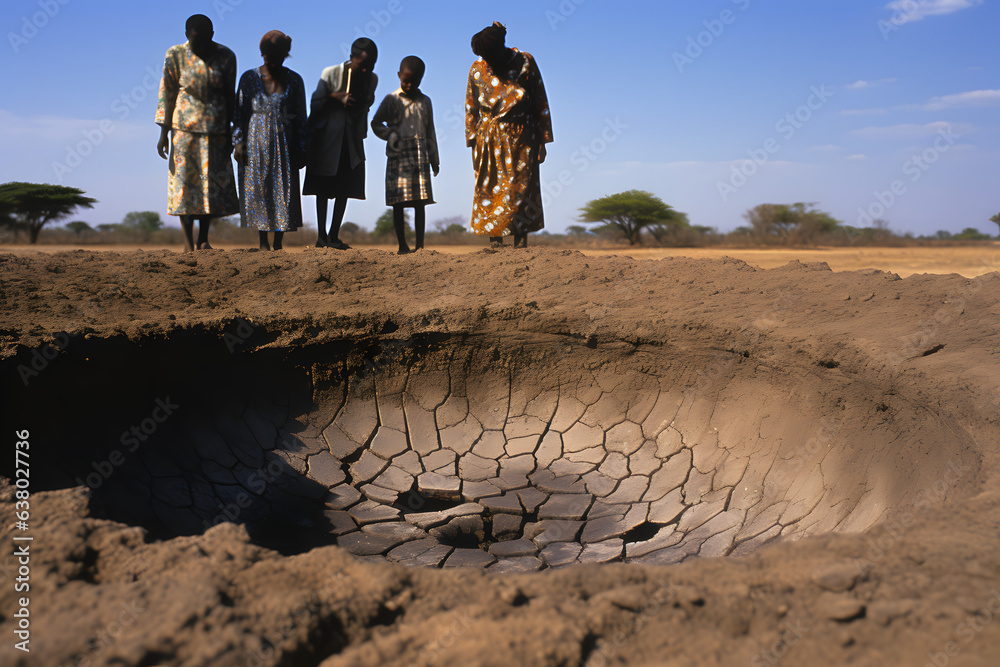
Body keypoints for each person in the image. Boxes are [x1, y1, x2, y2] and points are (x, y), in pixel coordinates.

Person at [156, 14, 239, 252]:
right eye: (193, 39)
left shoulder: (226, 56)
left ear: (212, 36)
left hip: (216, 131)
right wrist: (163, 133)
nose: (198, 44)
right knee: (184, 186)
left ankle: (203, 239)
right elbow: (167, 93)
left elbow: (229, 95)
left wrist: (232, 132)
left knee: (209, 187)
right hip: (183, 131)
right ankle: (186, 241)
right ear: (186, 35)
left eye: (203, 40)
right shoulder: (175, 55)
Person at [466, 21, 553, 249]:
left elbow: (540, 100)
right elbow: (471, 107)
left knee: (520, 188)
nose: (487, 60)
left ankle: (520, 243)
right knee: (489, 187)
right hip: (487, 138)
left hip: (521, 135)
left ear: (502, 47)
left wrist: (543, 139)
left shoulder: (525, 62)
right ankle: (495, 243)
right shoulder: (477, 69)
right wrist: (472, 140)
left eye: (489, 55)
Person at [233, 31, 307, 251]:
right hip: (254, 143)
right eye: (268, 55)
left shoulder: (295, 80)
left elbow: (301, 117)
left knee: (283, 189)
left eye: (278, 56)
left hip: (285, 144)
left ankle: (279, 243)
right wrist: (238, 142)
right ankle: (263, 241)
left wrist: (302, 148)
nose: (272, 61)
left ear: (286, 55)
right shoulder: (249, 78)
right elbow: (238, 114)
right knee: (259, 189)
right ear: (261, 53)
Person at [304, 38, 379, 249]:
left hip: (351, 138)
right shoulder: (331, 73)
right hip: (326, 137)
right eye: (362, 64)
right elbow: (315, 103)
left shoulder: (372, 79)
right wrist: (336, 97)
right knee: (322, 186)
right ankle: (321, 236)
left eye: (370, 65)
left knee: (345, 186)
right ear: (352, 57)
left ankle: (334, 235)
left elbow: (369, 102)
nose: (366, 69)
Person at [371, 56, 440, 254]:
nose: (409, 85)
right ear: (398, 76)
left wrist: (434, 159)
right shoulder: (391, 99)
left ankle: (420, 247)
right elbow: (375, 123)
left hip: (420, 155)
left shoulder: (425, 101)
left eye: (414, 81)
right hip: (398, 155)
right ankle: (402, 245)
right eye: (405, 81)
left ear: (421, 80)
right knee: (398, 201)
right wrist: (390, 135)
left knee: (420, 201)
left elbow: (430, 130)